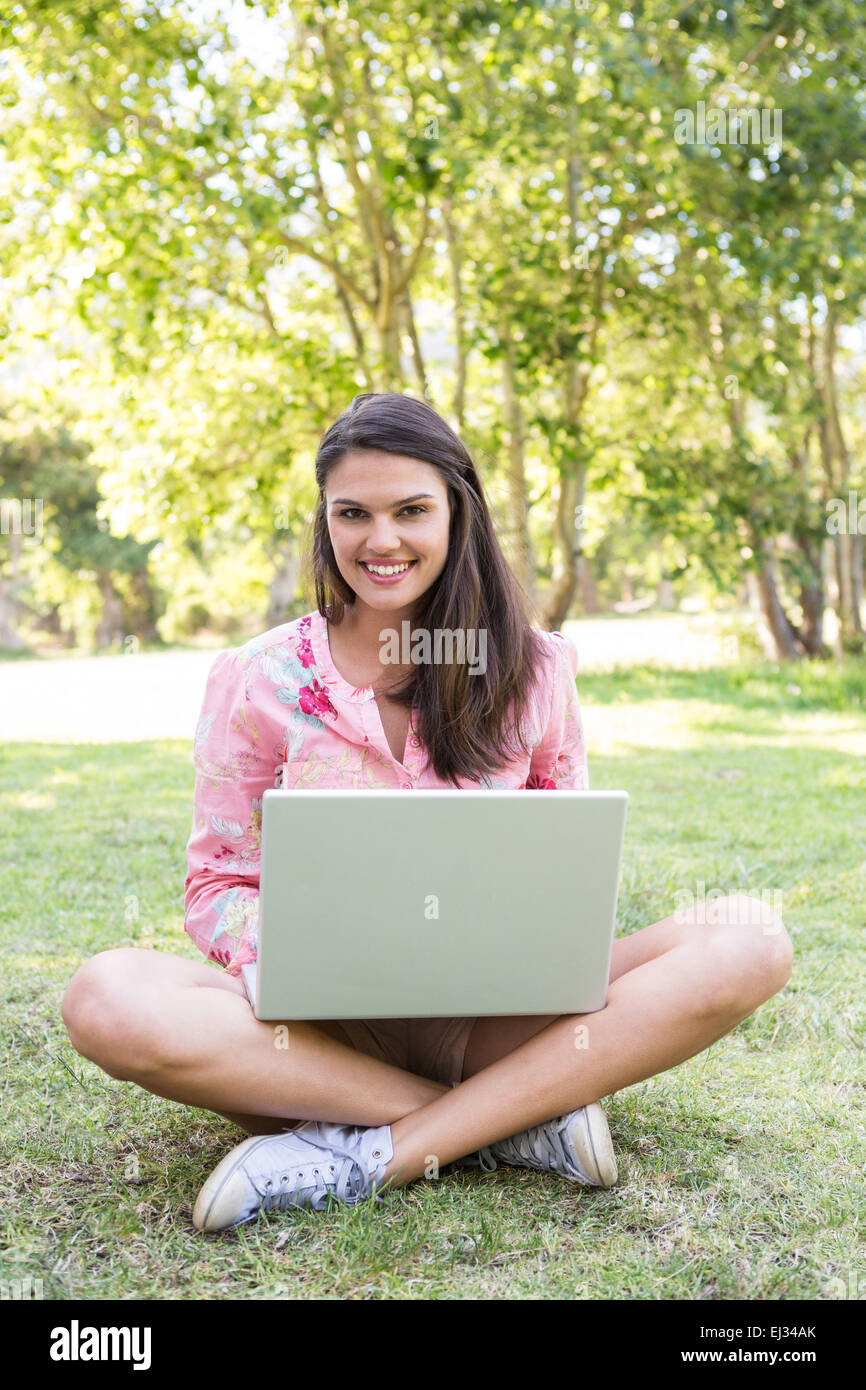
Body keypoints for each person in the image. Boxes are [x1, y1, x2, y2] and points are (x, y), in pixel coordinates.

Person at [61, 393, 793, 1233]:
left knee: (752, 938)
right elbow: (218, 880)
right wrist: (285, 956)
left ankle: (379, 1152)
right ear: (325, 521)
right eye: (353, 514)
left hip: (497, 1016)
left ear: (457, 510)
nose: (382, 540)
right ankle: (509, 1121)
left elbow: (567, 857)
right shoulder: (256, 676)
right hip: (313, 1036)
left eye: (411, 510)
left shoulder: (537, 667)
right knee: (105, 995)